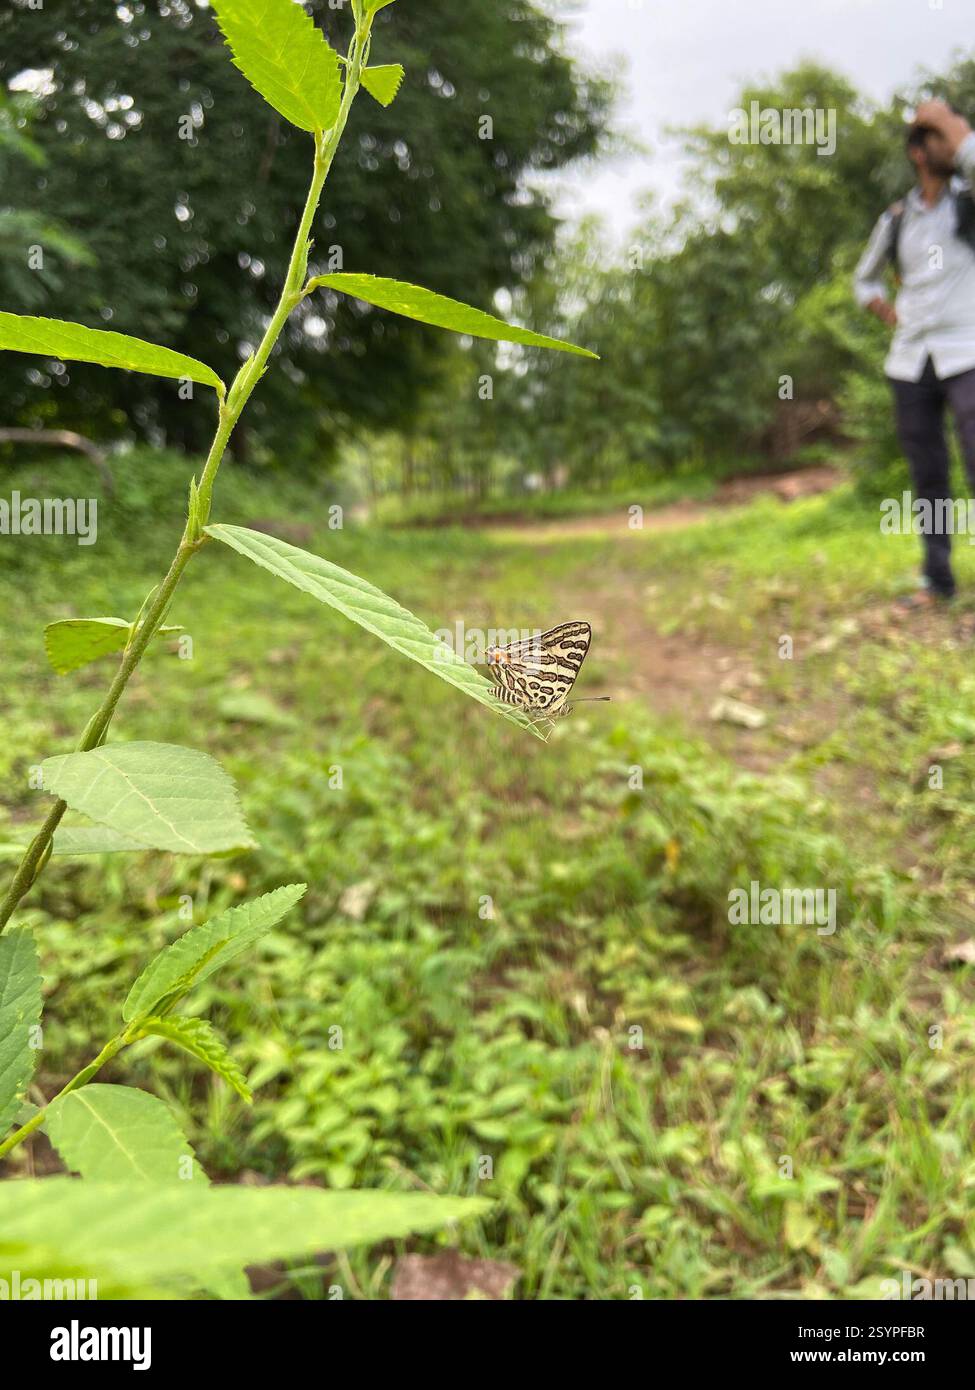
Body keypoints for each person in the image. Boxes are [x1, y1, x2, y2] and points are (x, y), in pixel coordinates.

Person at [854, 100, 975, 608]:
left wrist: (954, 129)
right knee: (928, 476)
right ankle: (938, 581)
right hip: (910, 362)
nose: (947, 146)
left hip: (967, 350)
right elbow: (864, 278)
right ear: (918, 153)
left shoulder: (968, 203)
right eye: (936, 138)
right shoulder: (897, 218)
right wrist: (883, 309)